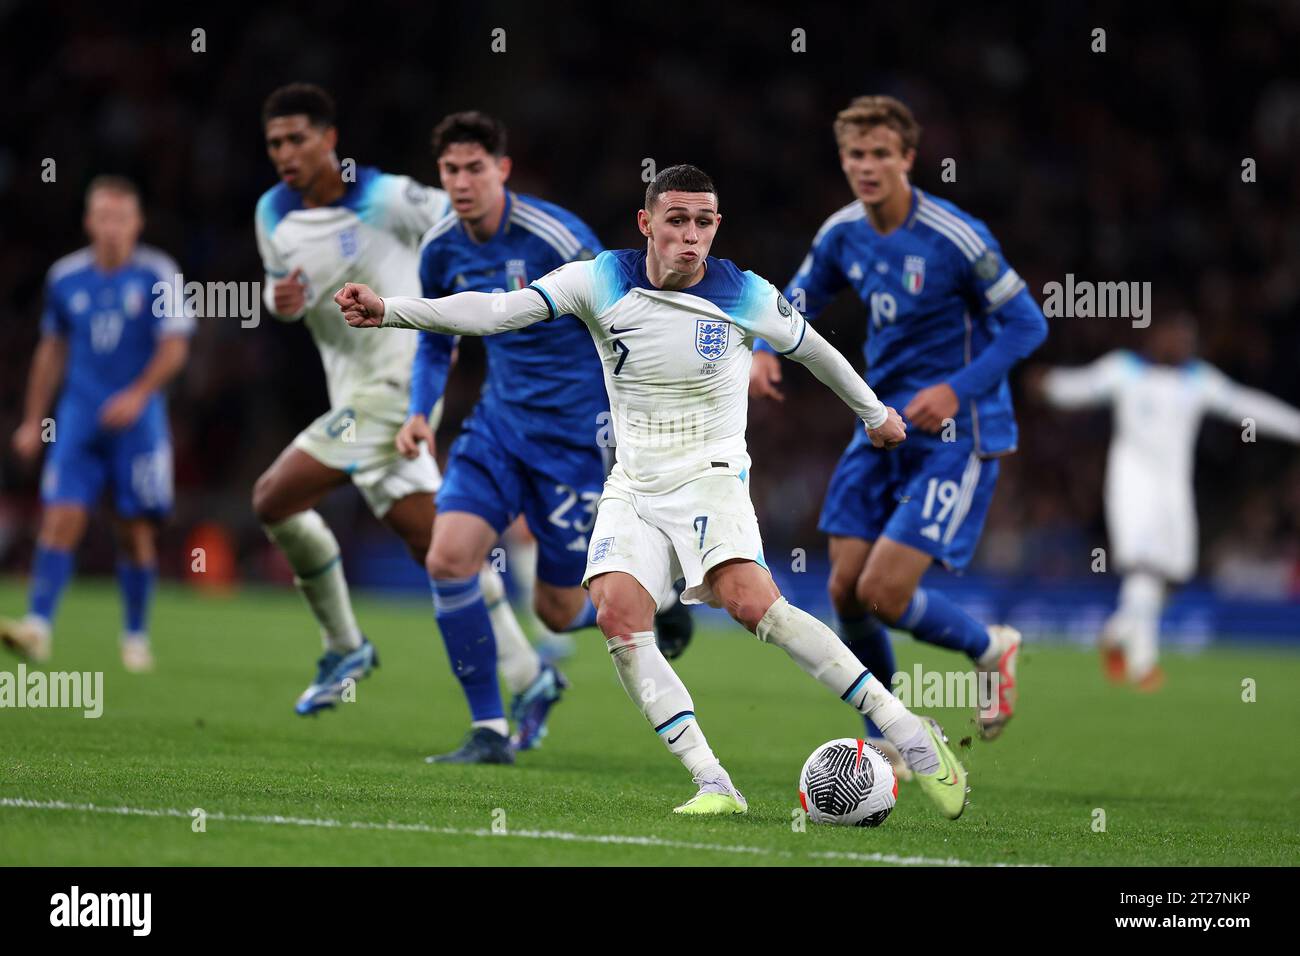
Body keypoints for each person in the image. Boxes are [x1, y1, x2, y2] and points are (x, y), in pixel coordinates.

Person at [336, 164, 970, 819]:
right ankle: (714, 784)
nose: (690, 236)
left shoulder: (745, 293)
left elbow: (816, 352)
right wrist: (391, 312)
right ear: (647, 224)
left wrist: (874, 414)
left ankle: (906, 731)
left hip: (711, 479)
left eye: (703, 222)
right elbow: (497, 312)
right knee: (614, 613)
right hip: (633, 485)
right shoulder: (600, 278)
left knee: (755, 606)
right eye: (676, 220)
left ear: (716, 226)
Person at [750, 96, 1047, 770]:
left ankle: (988, 648)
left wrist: (954, 389)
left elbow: (1029, 325)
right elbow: (789, 305)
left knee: (884, 593)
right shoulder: (842, 233)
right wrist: (764, 350)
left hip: (955, 431)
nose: (867, 166)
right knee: (844, 591)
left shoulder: (956, 236)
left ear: (908, 158)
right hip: (881, 422)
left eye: (881, 153)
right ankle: (893, 732)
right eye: (855, 154)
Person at [252, 84, 530, 717]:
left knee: (272, 497)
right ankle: (527, 671)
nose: (286, 153)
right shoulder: (272, 212)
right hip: (351, 391)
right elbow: (277, 291)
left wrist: (479, 300)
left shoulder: (386, 196)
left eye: (298, 139)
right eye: (275, 143)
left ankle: (345, 644)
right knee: (435, 543)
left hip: (401, 385)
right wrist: (279, 304)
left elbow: (471, 219)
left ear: (329, 140)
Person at [1032, 313, 1300, 688]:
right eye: (1173, 335)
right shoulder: (1124, 370)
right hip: (1131, 487)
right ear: (1155, 338)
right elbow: (1077, 387)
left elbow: (1249, 406)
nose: (1180, 343)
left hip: (1173, 492)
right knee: (1145, 568)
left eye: (1187, 337)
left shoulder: (1197, 380)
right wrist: (1049, 384)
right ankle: (1143, 664)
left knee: (1176, 573)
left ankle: (1116, 632)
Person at [1, 175, 193, 672]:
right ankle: (37, 628)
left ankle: (135, 637)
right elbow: (52, 349)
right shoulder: (65, 277)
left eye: (121, 218)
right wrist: (32, 420)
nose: (111, 228)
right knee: (61, 516)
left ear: (138, 223)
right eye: (103, 217)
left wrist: (136, 395)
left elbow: (174, 348)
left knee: (133, 529)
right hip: (78, 420)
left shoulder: (158, 273)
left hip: (138, 424)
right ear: (89, 221)